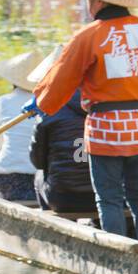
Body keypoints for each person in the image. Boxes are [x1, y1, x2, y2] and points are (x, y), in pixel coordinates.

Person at [27, 0, 138, 245]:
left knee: (109, 198)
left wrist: (41, 101)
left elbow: (62, 77)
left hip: (105, 128)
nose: (87, 5)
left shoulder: (88, 36)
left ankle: (119, 253)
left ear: (98, 1)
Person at [27, 45, 92, 213]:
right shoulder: (102, 108)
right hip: (104, 195)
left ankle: (48, 230)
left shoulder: (49, 112)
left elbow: (37, 161)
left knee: (39, 177)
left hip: (62, 197)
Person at [0, 49, 46, 202]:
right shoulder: (50, 102)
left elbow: (1, 141)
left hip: (7, 171)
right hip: (41, 173)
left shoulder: (4, 101)